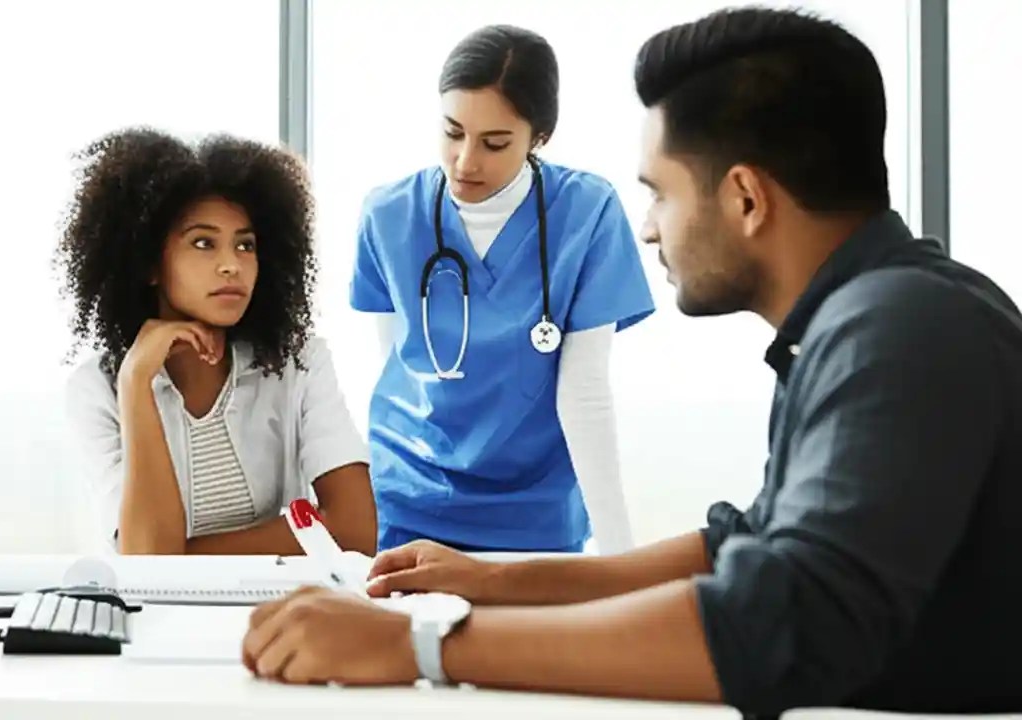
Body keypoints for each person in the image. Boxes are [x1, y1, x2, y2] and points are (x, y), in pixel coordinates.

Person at [240, 7, 1022, 716]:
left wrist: (417, 650)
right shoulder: (863, 324)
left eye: (660, 194)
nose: (648, 229)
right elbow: (741, 547)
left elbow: (780, 619)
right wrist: (489, 581)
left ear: (746, 199)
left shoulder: (899, 332)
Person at [349, 24, 655, 555]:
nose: (467, 161)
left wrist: (621, 557)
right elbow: (397, 365)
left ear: (540, 137)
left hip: (534, 508)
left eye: (495, 143)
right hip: (408, 500)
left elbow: (583, 392)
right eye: (452, 132)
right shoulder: (389, 214)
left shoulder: (587, 212)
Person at [57, 128, 376, 556]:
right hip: (154, 620)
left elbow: (357, 530)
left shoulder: (299, 364)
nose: (231, 265)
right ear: (150, 262)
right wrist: (136, 381)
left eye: (245, 245)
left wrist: (182, 557)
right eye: (203, 243)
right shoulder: (97, 389)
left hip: (281, 611)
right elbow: (149, 567)